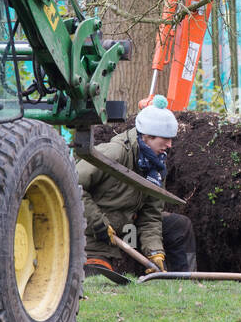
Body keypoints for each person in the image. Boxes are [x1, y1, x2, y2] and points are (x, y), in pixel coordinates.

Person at [78, 97, 197, 274]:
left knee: (179, 225)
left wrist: (155, 252)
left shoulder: (155, 166)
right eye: (165, 139)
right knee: (98, 275)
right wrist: (97, 223)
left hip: (127, 230)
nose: (170, 145)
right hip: (92, 233)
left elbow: (150, 215)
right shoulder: (114, 154)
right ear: (147, 137)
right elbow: (73, 184)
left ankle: (186, 279)